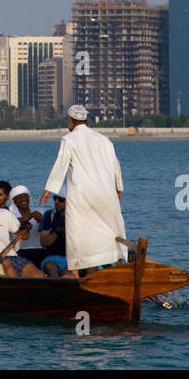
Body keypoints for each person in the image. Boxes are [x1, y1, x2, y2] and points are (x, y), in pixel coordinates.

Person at [40, 105, 127, 273]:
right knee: (112, 227)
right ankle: (119, 263)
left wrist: (49, 189)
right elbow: (115, 164)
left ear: (70, 121)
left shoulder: (69, 139)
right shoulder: (104, 139)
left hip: (81, 194)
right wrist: (118, 187)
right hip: (106, 193)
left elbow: (61, 164)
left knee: (77, 231)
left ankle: (74, 272)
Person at [8, 185, 48, 268]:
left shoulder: (40, 211)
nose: (23, 199)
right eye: (19, 197)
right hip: (19, 252)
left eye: (26, 196)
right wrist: (29, 216)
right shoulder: (9, 214)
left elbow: (49, 229)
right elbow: (15, 222)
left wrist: (42, 220)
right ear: (13, 200)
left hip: (40, 250)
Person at [39, 194, 74, 277]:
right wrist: (57, 233)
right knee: (50, 266)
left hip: (74, 258)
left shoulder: (78, 215)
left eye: (61, 199)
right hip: (53, 257)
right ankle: (58, 286)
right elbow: (43, 242)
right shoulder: (49, 215)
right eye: (55, 198)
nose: (56, 202)